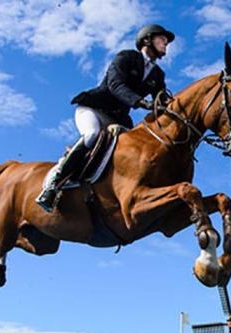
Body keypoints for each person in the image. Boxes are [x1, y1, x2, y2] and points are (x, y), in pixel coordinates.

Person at [35, 24, 175, 212]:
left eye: (166, 42)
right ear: (147, 40)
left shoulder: (158, 75)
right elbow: (116, 85)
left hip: (117, 120)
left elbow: (162, 100)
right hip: (94, 109)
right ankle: (54, 182)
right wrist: (141, 103)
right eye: (162, 40)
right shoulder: (126, 58)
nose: (165, 44)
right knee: (92, 134)